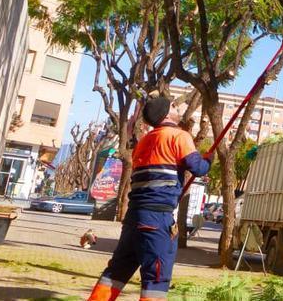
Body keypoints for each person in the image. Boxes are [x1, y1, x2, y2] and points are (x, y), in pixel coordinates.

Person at [88, 93, 211, 301]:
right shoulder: (178, 136)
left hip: (134, 218)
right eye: (173, 105)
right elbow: (197, 167)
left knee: (116, 272)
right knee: (156, 280)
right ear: (165, 114)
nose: (178, 107)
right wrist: (209, 158)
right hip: (157, 219)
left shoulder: (144, 142)